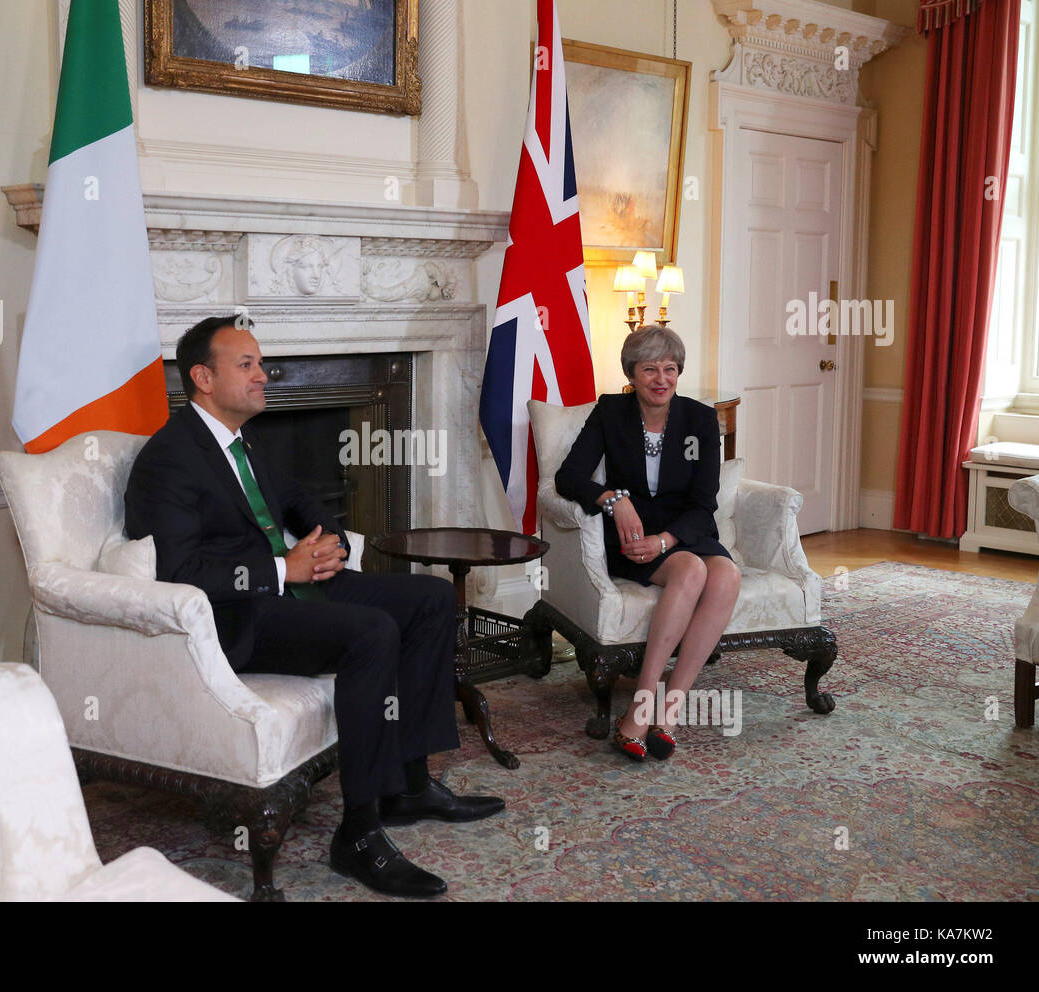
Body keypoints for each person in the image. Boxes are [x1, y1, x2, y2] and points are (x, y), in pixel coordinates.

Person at [124, 314, 504, 898]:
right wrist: (283, 568)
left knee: (429, 597)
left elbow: (299, 500)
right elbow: (179, 574)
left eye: (260, 362)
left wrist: (334, 543)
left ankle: (408, 783)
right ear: (202, 376)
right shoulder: (170, 459)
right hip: (238, 619)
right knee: (372, 631)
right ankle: (357, 834)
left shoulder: (244, 439)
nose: (263, 374)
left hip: (298, 588)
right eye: (246, 364)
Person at [554, 325, 741, 762]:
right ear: (631, 375)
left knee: (726, 575)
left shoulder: (699, 420)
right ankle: (641, 704)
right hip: (632, 538)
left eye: (670, 369)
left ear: (679, 373)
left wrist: (668, 539)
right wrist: (613, 500)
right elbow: (570, 476)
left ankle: (670, 708)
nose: (661, 379)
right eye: (650, 369)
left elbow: (704, 502)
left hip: (683, 531)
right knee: (691, 570)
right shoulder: (611, 413)